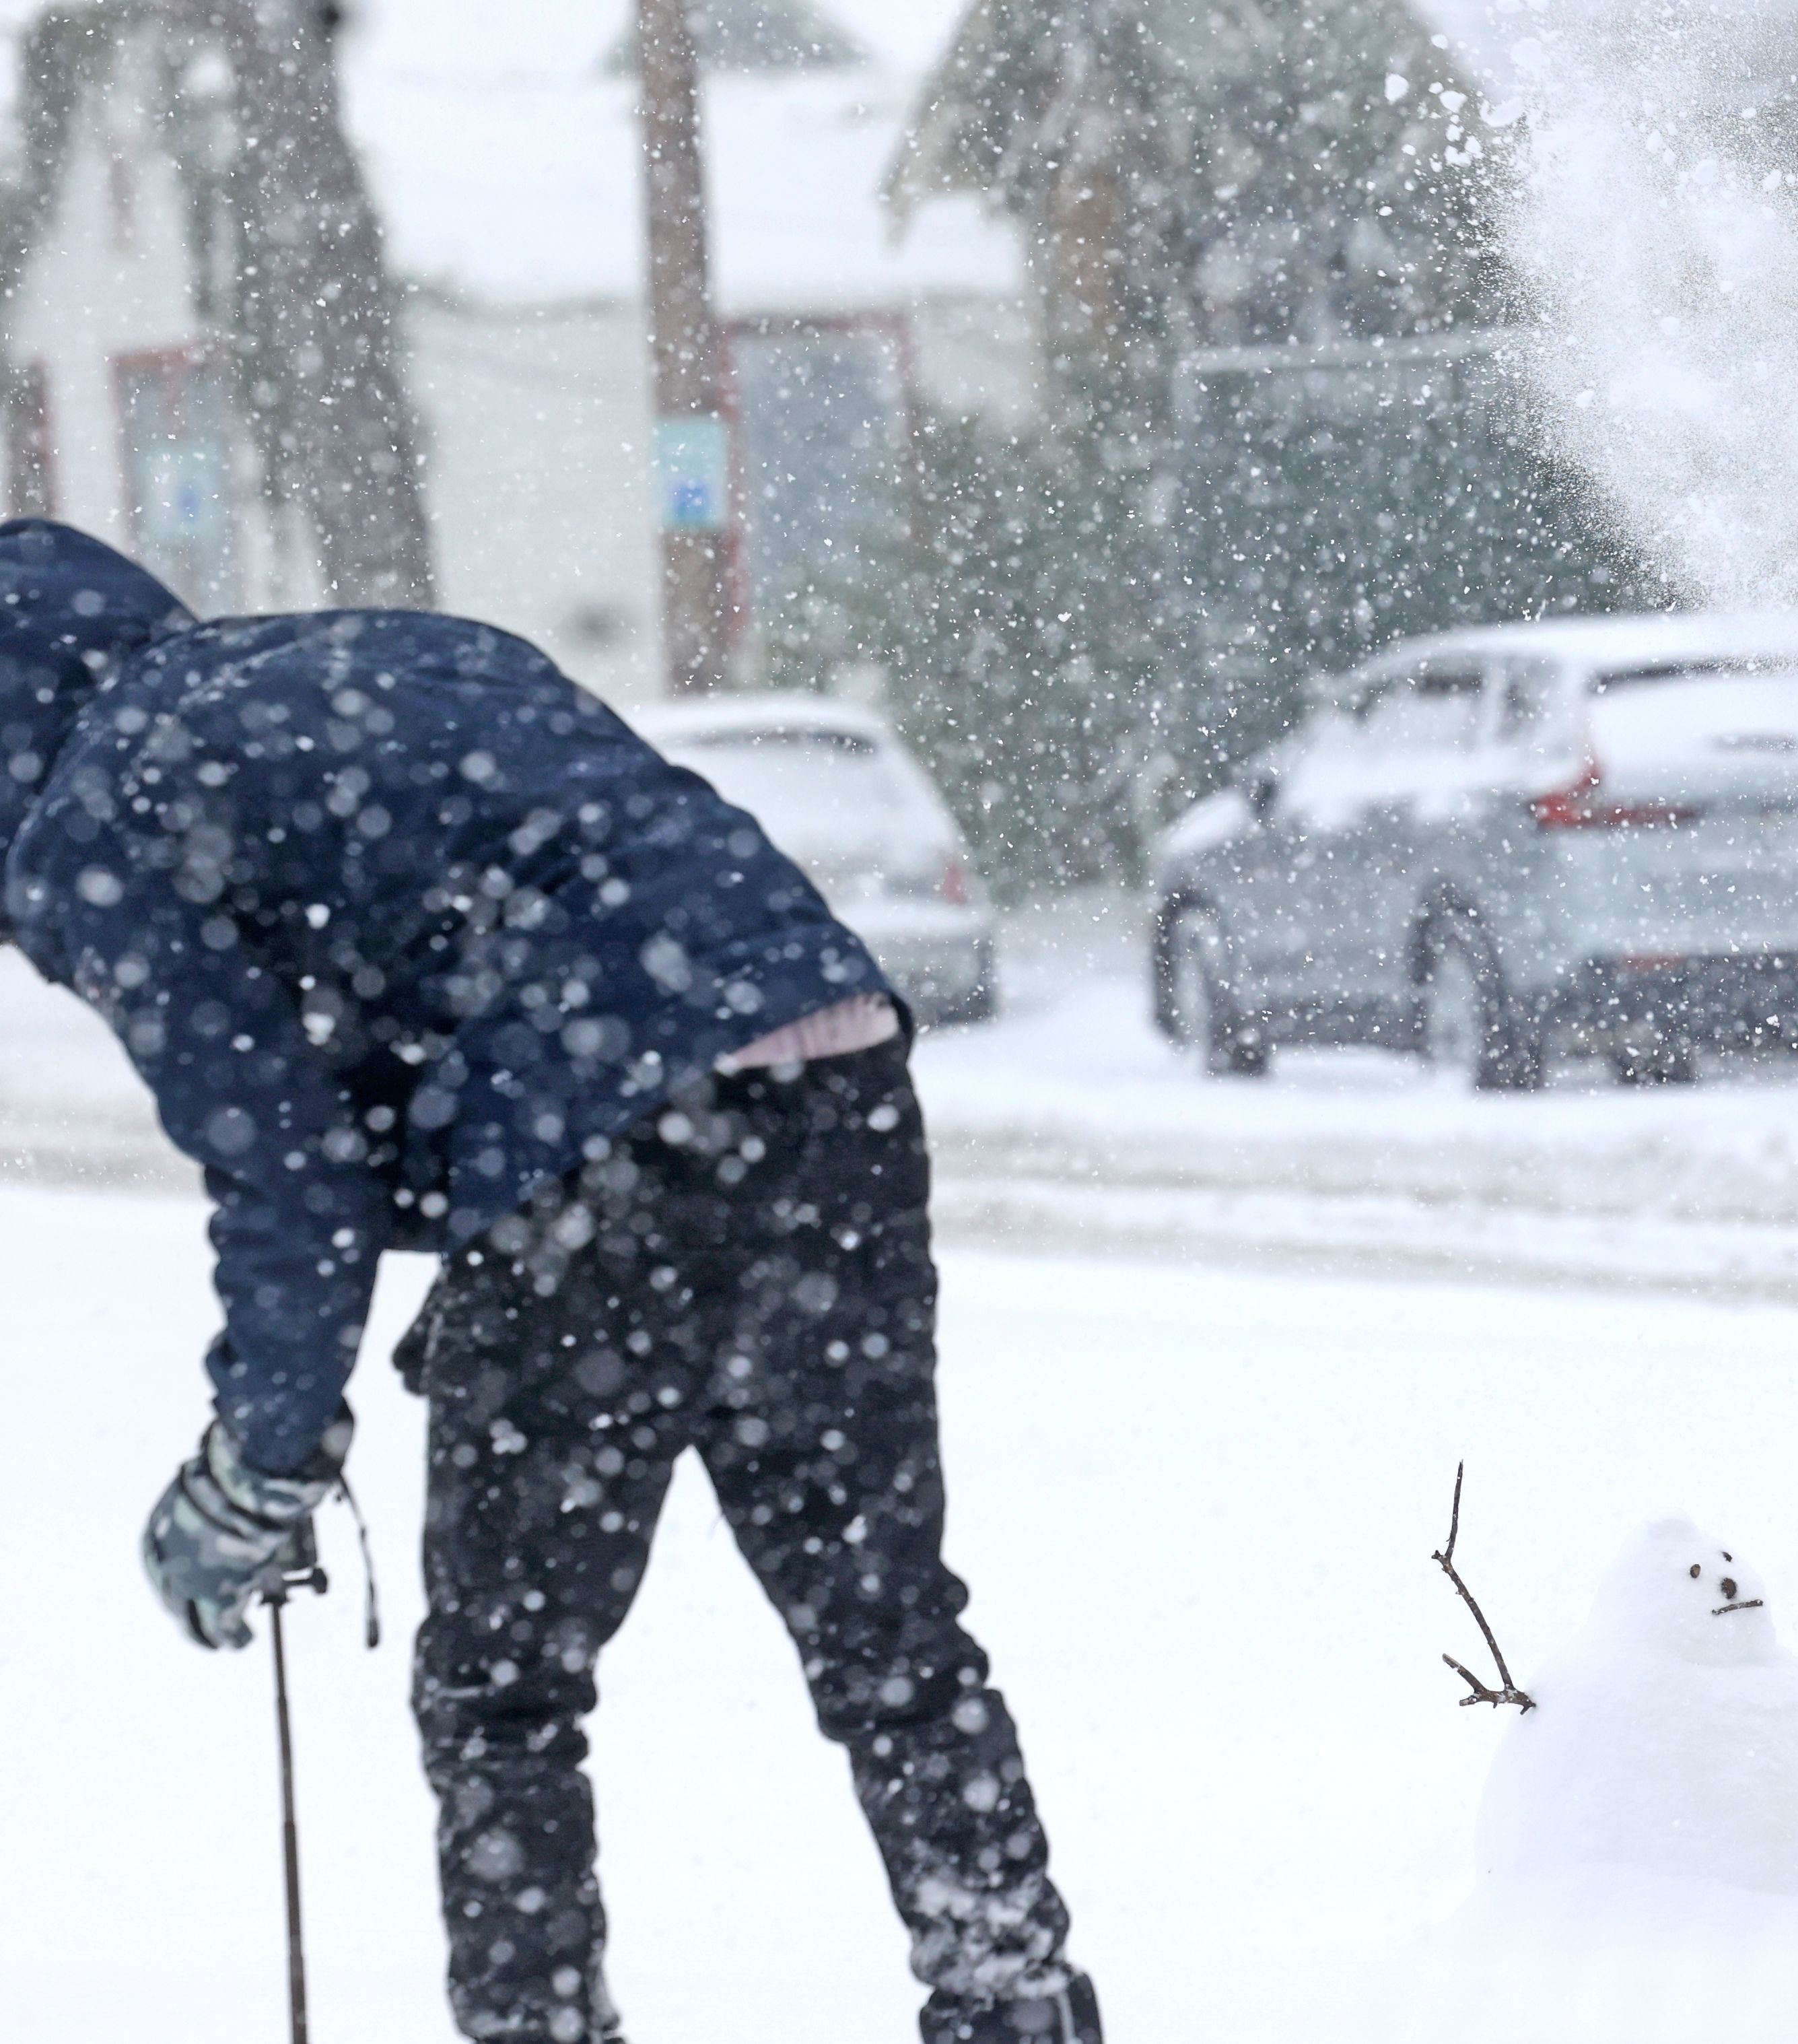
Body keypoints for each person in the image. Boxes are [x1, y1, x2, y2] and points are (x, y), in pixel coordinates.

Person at [0, 522, 1099, 2043]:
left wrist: (261, 1456)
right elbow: (465, 994)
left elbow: (289, 1167)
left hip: (600, 1143)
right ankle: (1014, 2002)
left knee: (501, 1691)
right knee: (888, 1629)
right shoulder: (381, 652)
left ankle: (543, 2027)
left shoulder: (93, 819)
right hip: (833, 1061)